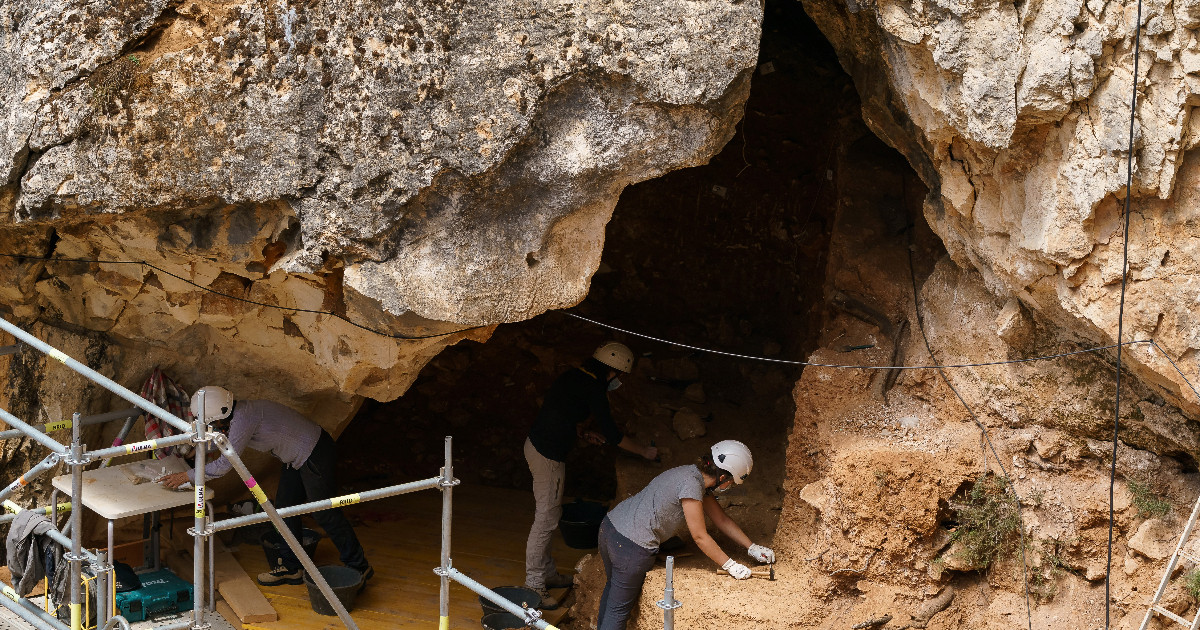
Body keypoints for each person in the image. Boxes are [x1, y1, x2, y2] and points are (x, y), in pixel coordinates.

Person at [160, 386, 373, 588]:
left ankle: (359, 566)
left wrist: (186, 476)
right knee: (283, 509)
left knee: (325, 513)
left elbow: (226, 463)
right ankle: (292, 567)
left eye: (211, 423)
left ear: (220, 417)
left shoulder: (244, 419)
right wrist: (191, 451)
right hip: (298, 457)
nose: (212, 428)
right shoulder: (239, 413)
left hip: (314, 453)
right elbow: (220, 439)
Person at [524, 341, 658, 609]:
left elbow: (559, 413)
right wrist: (645, 452)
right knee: (547, 519)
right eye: (620, 376)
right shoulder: (594, 389)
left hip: (541, 446)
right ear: (614, 372)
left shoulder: (573, 377)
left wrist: (583, 433)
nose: (619, 381)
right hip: (547, 455)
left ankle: (547, 573)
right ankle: (534, 584)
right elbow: (613, 434)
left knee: (550, 515)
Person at [596, 439, 775, 630]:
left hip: (609, 528)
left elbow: (721, 520)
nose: (730, 485)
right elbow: (700, 536)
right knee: (618, 612)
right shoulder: (692, 486)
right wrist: (730, 565)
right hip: (631, 547)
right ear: (722, 478)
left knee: (613, 594)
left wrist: (752, 547)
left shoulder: (691, 475)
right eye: (731, 481)